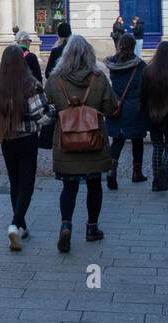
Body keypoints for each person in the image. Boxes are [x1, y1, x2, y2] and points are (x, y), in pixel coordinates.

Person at [0, 45, 54, 251]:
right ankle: (15, 224)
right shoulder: (30, 84)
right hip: (27, 139)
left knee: (15, 181)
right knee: (27, 183)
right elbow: (41, 115)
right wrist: (53, 111)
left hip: (6, 139)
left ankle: (21, 225)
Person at [45, 35, 120, 253]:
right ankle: (92, 227)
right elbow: (111, 107)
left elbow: (47, 109)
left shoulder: (55, 79)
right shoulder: (99, 78)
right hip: (94, 141)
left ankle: (66, 224)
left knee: (69, 186)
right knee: (94, 186)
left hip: (66, 143)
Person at [104, 33, 148, 189]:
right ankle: (137, 172)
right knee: (137, 140)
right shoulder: (140, 65)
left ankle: (111, 172)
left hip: (117, 106)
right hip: (134, 107)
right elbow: (144, 86)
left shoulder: (113, 64)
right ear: (133, 46)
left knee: (117, 140)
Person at [141, 40, 168, 190]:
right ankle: (164, 170)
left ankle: (156, 180)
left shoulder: (147, 72)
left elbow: (142, 96)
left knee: (157, 147)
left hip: (153, 116)